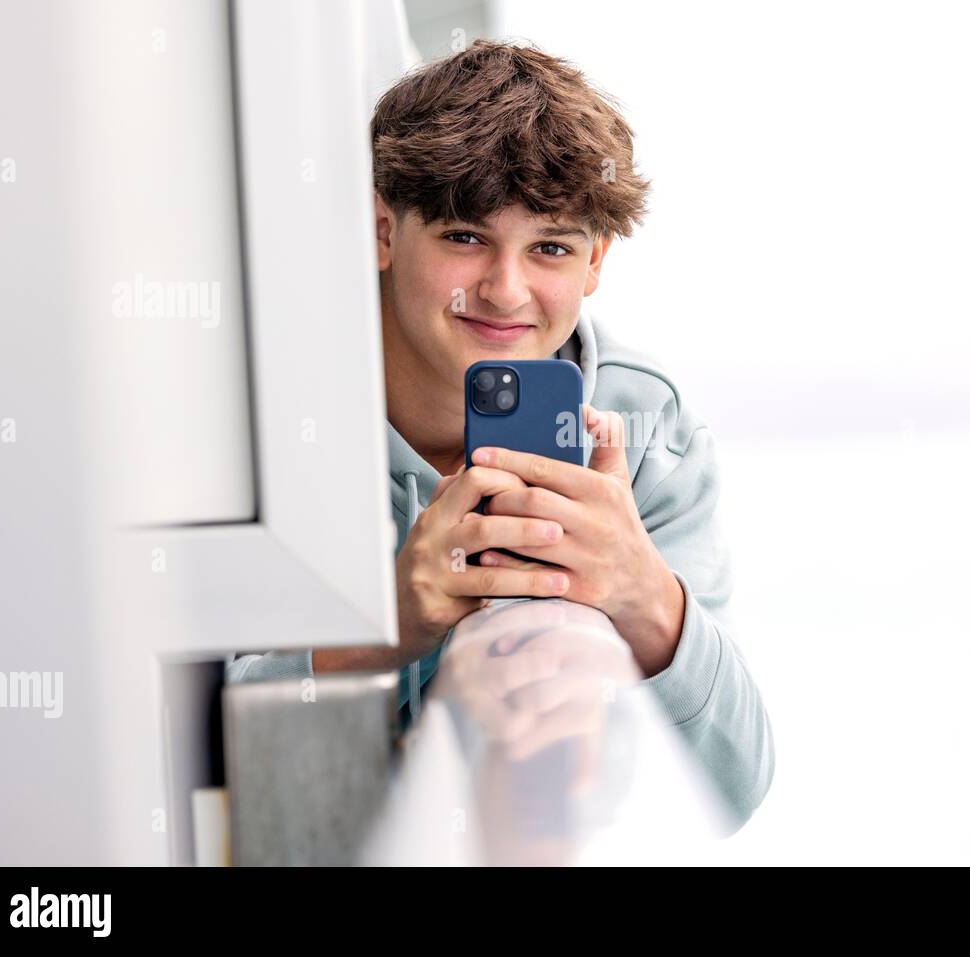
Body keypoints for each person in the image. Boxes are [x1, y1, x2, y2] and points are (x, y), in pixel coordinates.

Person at [229, 39, 774, 825]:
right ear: (382, 229)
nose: (505, 290)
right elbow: (187, 770)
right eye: (464, 237)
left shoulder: (646, 427)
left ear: (596, 262)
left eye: (550, 247)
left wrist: (642, 591)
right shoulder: (269, 414)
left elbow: (735, 788)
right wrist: (389, 624)